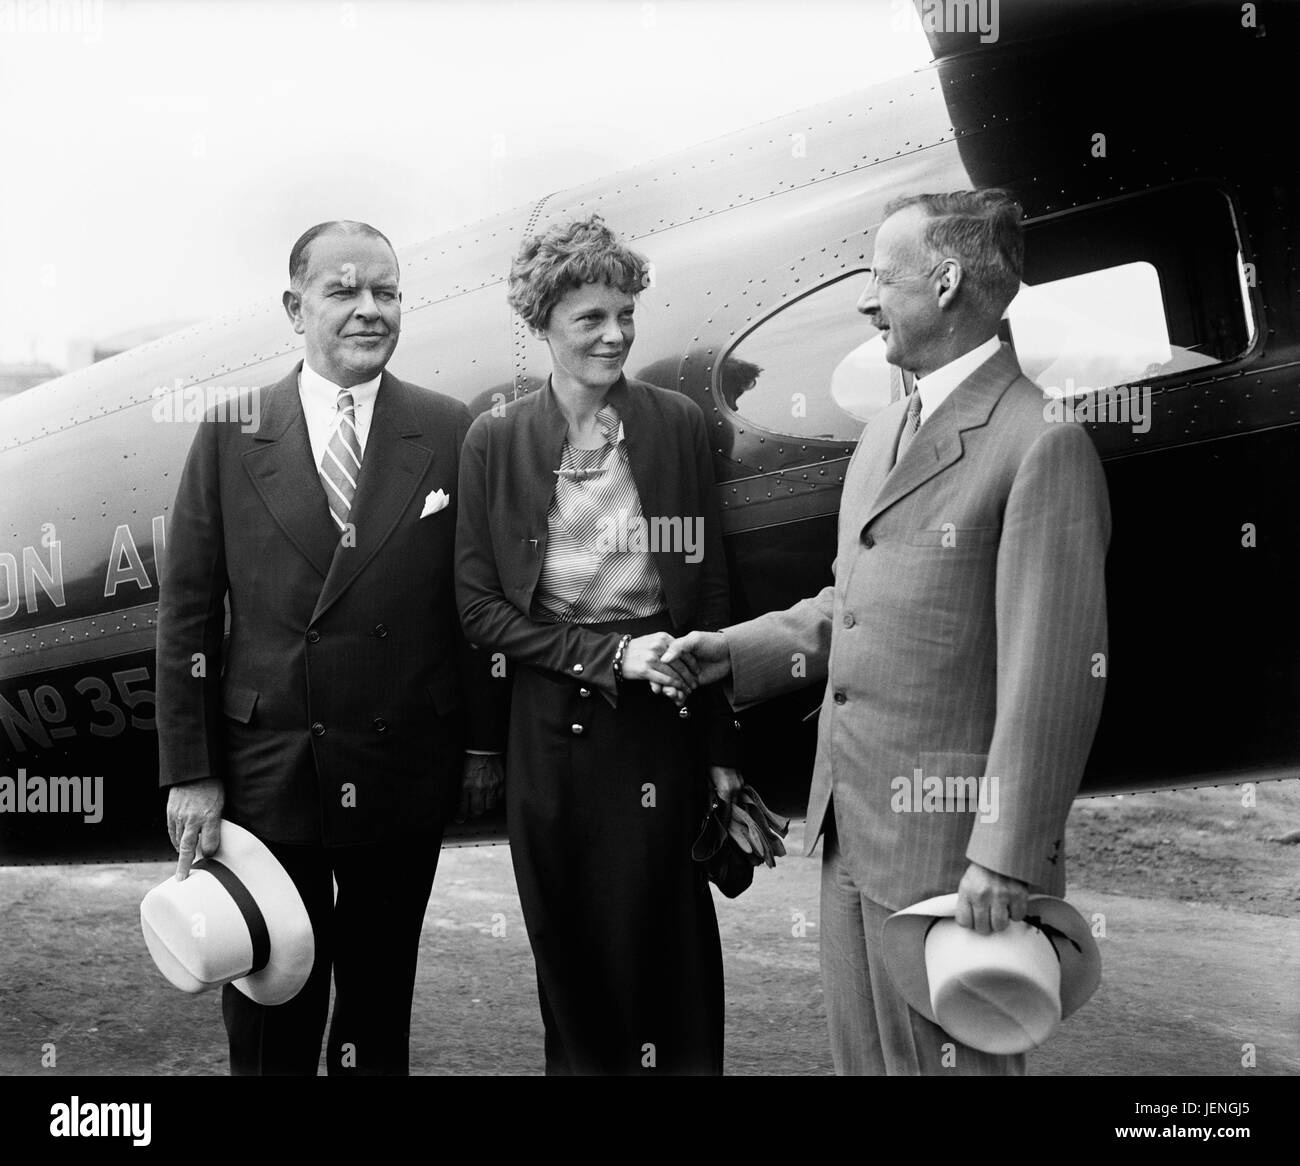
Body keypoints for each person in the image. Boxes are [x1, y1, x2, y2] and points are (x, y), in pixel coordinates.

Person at [662, 190, 1111, 1075]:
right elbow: (854, 604)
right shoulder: (886, 431)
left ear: (944, 282)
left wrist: (1007, 856)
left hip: (950, 851)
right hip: (853, 825)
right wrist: (733, 651)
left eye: (880, 277)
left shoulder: (1040, 443)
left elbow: (1053, 677)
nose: (866, 301)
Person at [156, 220, 506, 1076]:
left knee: (378, 1007)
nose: (369, 310)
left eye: (386, 292)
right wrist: (192, 770)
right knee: (273, 1004)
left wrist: (480, 743)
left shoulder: (445, 426)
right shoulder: (231, 433)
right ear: (294, 306)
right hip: (272, 768)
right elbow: (189, 614)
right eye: (343, 291)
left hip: (400, 766)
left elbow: (470, 603)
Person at [456, 214, 740, 1076]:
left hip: (665, 721)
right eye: (590, 319)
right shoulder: (495, 442)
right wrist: (609, 657)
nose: (615, 335)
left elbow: (713, 585)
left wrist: (725, 751)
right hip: (551, 732)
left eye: (625, 314)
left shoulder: (677, 424)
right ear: (541, 323)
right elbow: (478, 610)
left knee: (675, 960)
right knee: (574, 965)